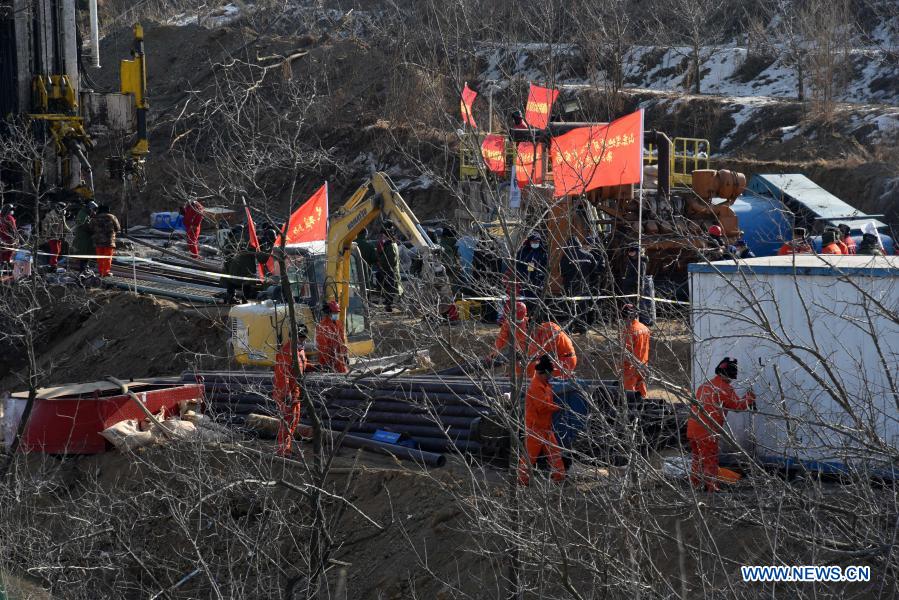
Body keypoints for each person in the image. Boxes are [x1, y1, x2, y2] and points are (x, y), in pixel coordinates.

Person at [687, 357, 756, 492]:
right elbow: (737, 407)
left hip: (692, 429)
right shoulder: (724, 388)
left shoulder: (705, 385)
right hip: (707, 431)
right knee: (710, 459)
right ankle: (711, 488)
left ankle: (695, 485)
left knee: (697, 458)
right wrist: (750, 398)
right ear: (730, 375)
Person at [518, 354, 565, 486]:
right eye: (550, 373)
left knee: (555, 452)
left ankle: (559, 478)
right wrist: (558, 407)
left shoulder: (544, 384)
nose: (552, 375)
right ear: (544, 373)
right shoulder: (536, 386)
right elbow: (542, 406)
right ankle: (522, 481)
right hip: (535, 428)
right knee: (530, 457)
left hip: (545, 427)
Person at [272, 323, 309, 457]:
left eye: (304, 338)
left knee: (294, 420)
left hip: (295, 391)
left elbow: (300, 365)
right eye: (301, 338)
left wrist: (313, 367)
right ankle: (282, 450)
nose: (303, 341)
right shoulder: (286, 351)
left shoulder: (300, 351)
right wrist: (285, 393)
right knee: (287, 421)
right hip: (286, 393)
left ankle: (287, 448)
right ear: (294, 337)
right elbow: (282, 374)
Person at [560, 237, 596, 334]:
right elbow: (595, 269)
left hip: (570, 285)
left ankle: (569, 327)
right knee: (583, 306)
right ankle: (582, 326)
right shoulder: (588, 255)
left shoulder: (567, 255)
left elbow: (563, 271)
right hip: (584, 284)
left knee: (570, 306)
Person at [491, 301, 529, 375]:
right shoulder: (508, 324)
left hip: (529, 354)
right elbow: (501, 338)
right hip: (518, 354)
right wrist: (494, 352)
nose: (517, 324)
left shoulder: (529, 324)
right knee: (517, 371)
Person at [620, 303, 650, 398]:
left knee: (630, 396)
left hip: (630, 367)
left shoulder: (628, 331)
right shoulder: (645, 329)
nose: (624, 320)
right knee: (642, 394)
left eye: (624, 317)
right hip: (643, 365)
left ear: (629, 317)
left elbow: (625, 352)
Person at [317, 300, 349, 373]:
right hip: (329, 360)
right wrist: (327, 363)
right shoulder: (323, 326)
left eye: (337, 313)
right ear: (329, 313)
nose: (336, 314)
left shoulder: (338, 324)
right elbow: (323, 347)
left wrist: (345, 354)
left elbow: (342, 340)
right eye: (334, 313)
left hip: (339, 358)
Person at [90, 205, 121, 277]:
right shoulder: (112, 217)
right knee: (107, 257)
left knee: (100, 258)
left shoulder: (95, 218)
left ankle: (101, 272)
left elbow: (90, 228)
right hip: (109, 241)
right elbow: (118, 228)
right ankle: (106, 272)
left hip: (98, 241)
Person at [515, 233, 548, 301]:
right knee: (525, 298)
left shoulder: (543, 252)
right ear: (530, 242)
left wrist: (539, 271)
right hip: (525, 278)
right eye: (533, 242)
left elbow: (546, 265)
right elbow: (518, 264)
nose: (535, 243)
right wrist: (523, 273)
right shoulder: (523, 251)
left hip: (538, 280)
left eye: (537, 242)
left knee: (536, 299)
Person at [376, 229, 402, 312]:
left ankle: (389, 305)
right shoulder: (393, 244)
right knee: (392, 289)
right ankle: (390, 304)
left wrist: (380, 258)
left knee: (389, 289)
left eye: (383, 235)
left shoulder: (389, 246)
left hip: (389, 271)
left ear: (386, 236)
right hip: (392, 271)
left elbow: (388, 260)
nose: (382, 237)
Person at [41, 203, 69, 267]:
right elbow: (44, 224)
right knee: (55, 250)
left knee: (58, 250)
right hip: (52, 236)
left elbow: (65, 226)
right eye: (62, 208)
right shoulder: (51, 215)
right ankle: (53, 265)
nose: (63, 210)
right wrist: (46, 234)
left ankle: (53, 263)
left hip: (59, 236)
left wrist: (70, 231)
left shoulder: (62, 216)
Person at [72, 201, 97, 272]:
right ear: (90, 208)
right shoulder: (82, 214)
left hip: (86, 237)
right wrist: (92, 228)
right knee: (83, 254)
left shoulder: (86, 214)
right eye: (93, 209)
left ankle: (85, 267)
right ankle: (83, 269)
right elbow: (82, 225)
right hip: (83, 237)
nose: (93, 211)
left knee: (86, 254)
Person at [0, 204, 18, 268]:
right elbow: (14, 229)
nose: (13, 211)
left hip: (2, 240)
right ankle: (10, 272)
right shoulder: (10, 218)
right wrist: (16, 239)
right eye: (12, 210)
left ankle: (4, 270)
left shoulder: (1, 217)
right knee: (9, 257)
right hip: (10, 240)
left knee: (2, 257)